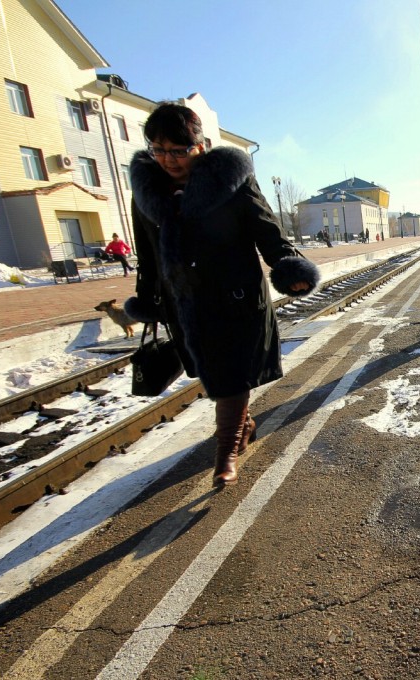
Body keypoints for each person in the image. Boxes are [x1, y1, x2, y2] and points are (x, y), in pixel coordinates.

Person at [125, 102, 320, 488]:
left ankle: (226, 450)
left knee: (230, 375)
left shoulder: (230, 181)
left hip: (236, 297)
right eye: (159, 150)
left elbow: (268, 231)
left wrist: (289, 268)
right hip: (184, 302)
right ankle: (242, 423)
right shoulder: (146, 192)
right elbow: (147, 255)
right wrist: (148, 299)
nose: (168, 159)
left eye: (178, 150)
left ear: (201, 145)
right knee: (213, 374)